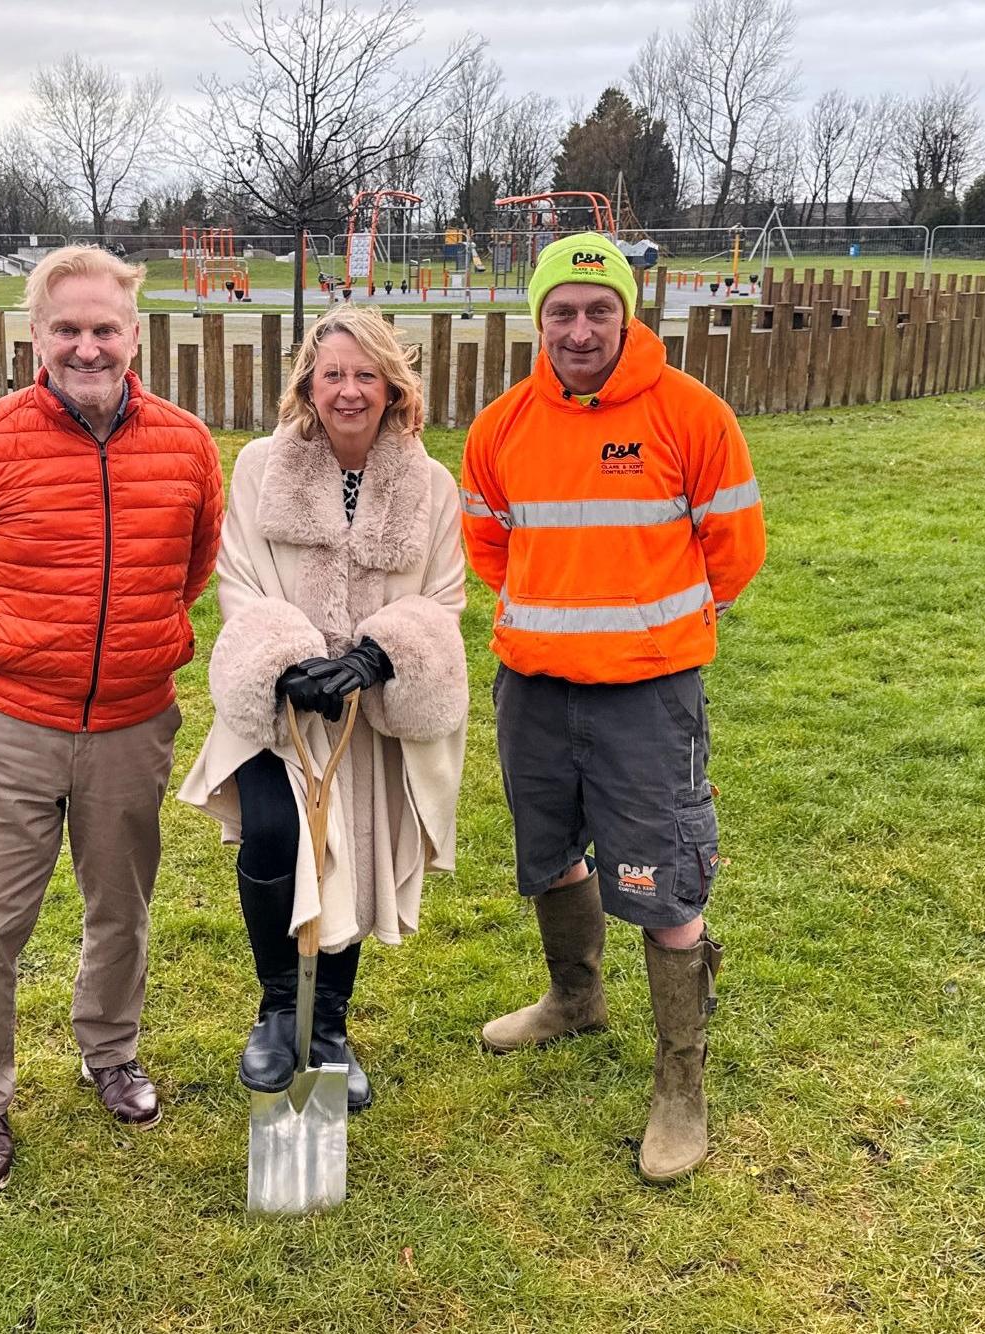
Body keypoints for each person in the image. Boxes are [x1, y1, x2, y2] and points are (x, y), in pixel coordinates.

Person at [0, 245, 224, 1193]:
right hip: (10, 723)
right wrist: (11, 645)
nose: (87, 347)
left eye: (104, 329)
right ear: (35, 336)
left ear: (135, 334)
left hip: (133, 724)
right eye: (67, 330)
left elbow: (195, 567)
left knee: (119, 907)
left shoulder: (186, 445)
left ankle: (111, 1050)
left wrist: (132, 648)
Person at [460, 233, 766, 1184]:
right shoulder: (501, 425)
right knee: (548, 850)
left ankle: (682, 1082)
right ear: (537, 319)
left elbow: (735, 550)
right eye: (562, 311)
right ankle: (574, 997)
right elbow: (489, 547)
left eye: (599, 310)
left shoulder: (691, 415)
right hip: (535, 691)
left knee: (665, 879)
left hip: (649, 694)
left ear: (627, 314)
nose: (580, 328)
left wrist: (644, 628)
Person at [179, 305, 467, 1112]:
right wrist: (289, 659)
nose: (348, 391)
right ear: (309, 381)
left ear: (392, 386)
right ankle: (279, 1010)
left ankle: (329, 1028)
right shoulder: (262, 466)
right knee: (276, 833)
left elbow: (445, 598)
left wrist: (379, 655)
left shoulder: (430, 485)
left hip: (365, 718)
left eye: (365, 375)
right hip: (278, 708)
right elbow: (238, 578)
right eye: (333, 373)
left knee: (353, 858)